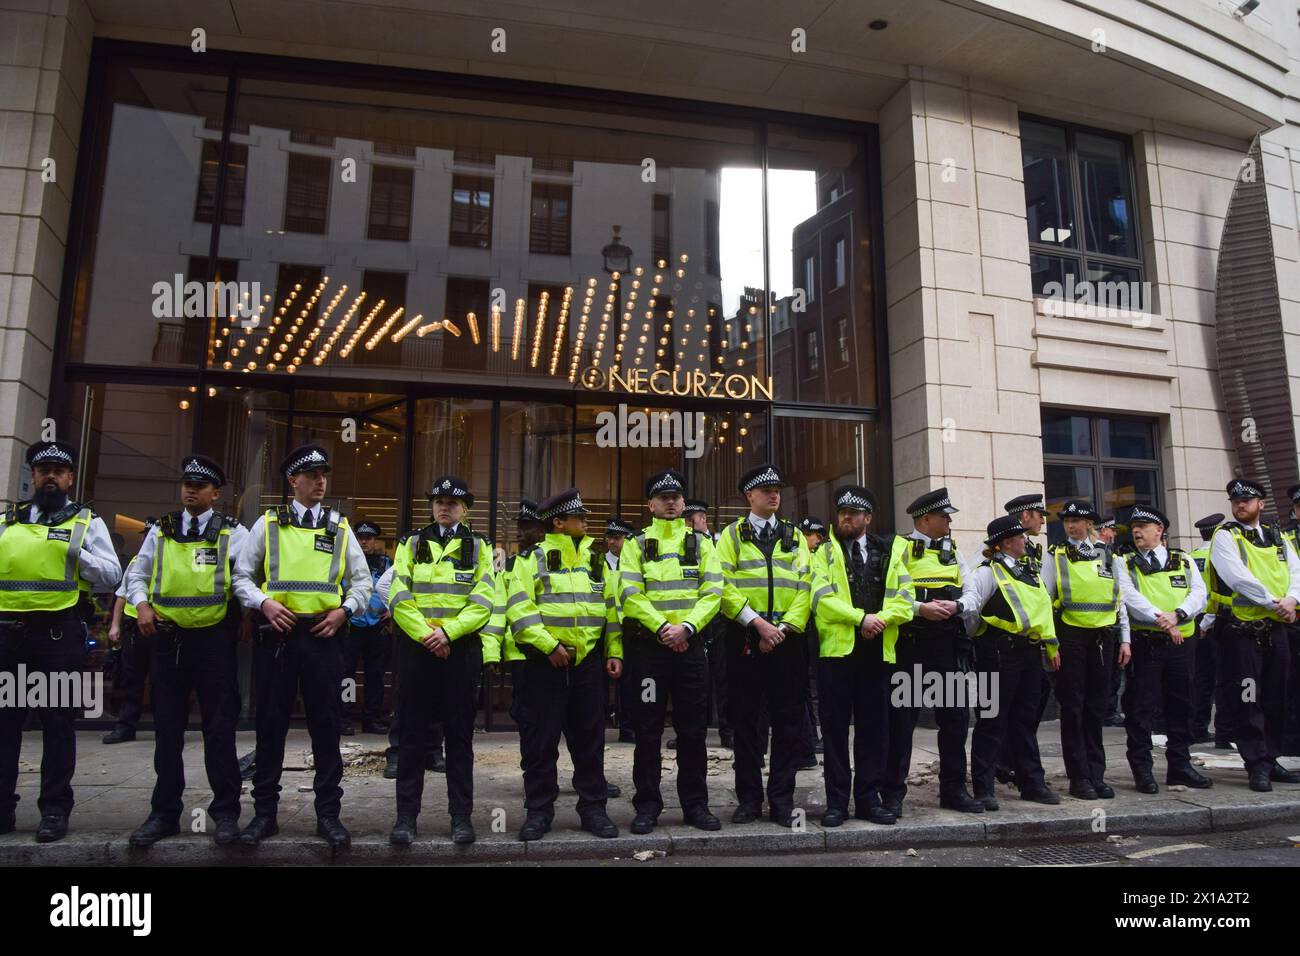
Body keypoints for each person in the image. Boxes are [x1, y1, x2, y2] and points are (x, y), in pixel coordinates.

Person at [232, 444, 372, 848]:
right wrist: (264, 602)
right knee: (270, 728)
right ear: (293, 481)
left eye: (324, 475)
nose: (320, 482)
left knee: (326, 729)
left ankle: (328, 815)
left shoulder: (339, 526)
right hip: (278, 637)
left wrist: (344, 611)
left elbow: (362, 582)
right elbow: (241, 575)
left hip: (323, 637)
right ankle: (264, 815)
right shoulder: (268, 523)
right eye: (311, 476)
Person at [123, 455, 249, 847]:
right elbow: (137, 575)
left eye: (201, 485)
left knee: (219, 730)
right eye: (187, 483)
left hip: (213, 643)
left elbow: (246, 576)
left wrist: (246, 615)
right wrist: (141, 605)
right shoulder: (161, 530)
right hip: (168, 641)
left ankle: (225, 813)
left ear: (216, 493)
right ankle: (164, 814)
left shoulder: (233, 532)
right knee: (167, 731)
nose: (191, 489)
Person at [0, 440, 122, 843]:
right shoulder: (8, 521)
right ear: (32, 476)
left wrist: (75, 553)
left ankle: (54, 810)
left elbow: (110, 576)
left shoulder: (87, 522)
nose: (50, 476)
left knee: (57, 725)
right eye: (42, 469)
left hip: (58, 637)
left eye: (58, 471)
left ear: (70, 478)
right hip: (9, 637)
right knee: (5, 726)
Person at [381, 476, 494, 845]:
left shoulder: (479, 547)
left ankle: (461, 818)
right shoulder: (411, 543)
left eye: (451, 502)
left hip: (459, 651)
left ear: (466, 508)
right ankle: (405, 819)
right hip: (418, 649)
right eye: (438, 501)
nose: (443, 507)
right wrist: (427, 636)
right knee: (412, 736)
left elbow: (484, 600)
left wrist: (448, 633)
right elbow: (398, 593)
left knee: (459, 738)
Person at [503, 488, 621, 841]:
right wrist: (550, 645)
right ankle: (539, 812)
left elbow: (612, 610)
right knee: (541, 743)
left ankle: (593, 810)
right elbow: (519, 610)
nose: (586, 522)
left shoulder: (597, 560)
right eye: (579, 517)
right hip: (545, 664)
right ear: (559, 522)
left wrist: (614, 651)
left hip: (587, 664)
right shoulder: (529, 560)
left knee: (590, 741)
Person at [617, 470, 724, 834]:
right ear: (650, 504)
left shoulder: (702, 543)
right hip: (650, 653)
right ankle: (647, 806)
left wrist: (687, 628)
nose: (670, 502)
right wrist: (665, 629)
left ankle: (696, 806)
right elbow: (630, 595)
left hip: (690, 651)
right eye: (663, 497)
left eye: (676, 496)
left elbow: (713, 593)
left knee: (693, 732)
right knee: (647, 731)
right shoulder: (635, 544)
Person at [715, 464, 813, 827]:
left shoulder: (795, 536)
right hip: (745, 639)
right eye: (766, 490)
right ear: (749, 496)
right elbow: (722, 586)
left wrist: (782, 628)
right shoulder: (731, 535)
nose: (774, 495)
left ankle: (782, 800)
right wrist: (758, 625)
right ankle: (749, 800)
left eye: (777, 490)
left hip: (786, 642)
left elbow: (806, 587)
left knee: (788, 722)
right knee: (746, 723)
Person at [811, 485, 912, 826]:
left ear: (868, 518)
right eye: (842, 513)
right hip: (837, 654)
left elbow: (905, 599)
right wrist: (861, 619)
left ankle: (869, 800)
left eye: (853, 514)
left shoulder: (889, 552)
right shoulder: (824, 552)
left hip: (876, 653)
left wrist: (881, 620)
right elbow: (821, 599)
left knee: (874, 731)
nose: (846, 518)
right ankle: (836, 803)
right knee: (836, 733)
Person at [887, 488, 984, 815]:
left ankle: (954, 790)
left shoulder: (953, 551)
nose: (950, 521)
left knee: (955, 721)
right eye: (945, 516)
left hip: (946, 646)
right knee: (902, 723)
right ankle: (892, 795)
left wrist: (957, 605)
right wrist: (919, 608)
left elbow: (973, 594)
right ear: (926, 518)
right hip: (912, 645)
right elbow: (888, 596)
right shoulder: (898, 548)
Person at [1206, 478, 1300, 791]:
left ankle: (1271, 757)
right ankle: (1255, 763)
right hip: (1243, 632)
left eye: (1246, 500)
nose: (1240, 505)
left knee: (1276, 698)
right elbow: (1237, 577)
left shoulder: (1277, 536)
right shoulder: (1226, 536)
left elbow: (1297, 572)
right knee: (1248, 698)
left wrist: (1293, 600)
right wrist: (1277, 604)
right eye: (1235, 500)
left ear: (1260, 504)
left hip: (1275, 631)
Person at [1114, 505, 1211, 793]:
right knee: (1141, 708)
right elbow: (1129, 596)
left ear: (1160, 530)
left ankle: (1180, 765)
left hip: (1182, 644)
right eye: (1134, 526)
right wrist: (1164, 620)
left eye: (1143, 525)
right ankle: (1142, 769)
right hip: (1148, 644)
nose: (1136, 530)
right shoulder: (1125, 561)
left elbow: (1200, 594)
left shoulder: (1182, 560)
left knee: (1182, 705)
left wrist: (1178, 615)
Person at [967, 515, 1061, 808]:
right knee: (991, 722)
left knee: (1024, 722)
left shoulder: (1029, 571)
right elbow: (971, 614)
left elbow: (1042, 612)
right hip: (998, 654)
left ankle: (1032, 783)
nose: (1025, 540)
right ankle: (984, 788)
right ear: (1007, 542)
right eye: (1020, 536)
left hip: (1029, 654)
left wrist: (1050, 646)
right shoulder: (987, 573)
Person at [1043, 499, 1129, 800]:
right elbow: (1045, 599)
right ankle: (1079, 777)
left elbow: (1120, 602)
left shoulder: (1109, 555)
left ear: (1089, 524)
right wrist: (1050, 643)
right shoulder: (1056, 555)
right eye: (1066, 520)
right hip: (1070, 636)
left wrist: (1126, 639)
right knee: (1073, 707)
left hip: (1103, 639)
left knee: (1096, 708)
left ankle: (1097, 774)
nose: (1070, 525)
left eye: (1076, 521)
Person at [685, 497, 731, 748]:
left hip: (720, 620)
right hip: (694, 621)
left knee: (724, 678)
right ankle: (695, 732)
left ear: (704, 519)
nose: (691, 523)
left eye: (695, 519)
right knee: (697, 682)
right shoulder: (683, 544)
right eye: (687, 520)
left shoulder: (719, 543)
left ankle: (727, 731)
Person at [339, 520, 391, 736]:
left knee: (376, 675)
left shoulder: (385, 562)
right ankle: (344, 718)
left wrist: (392, 610)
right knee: (347, 675)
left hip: (377, 625)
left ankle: (372, 718)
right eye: (360, 538)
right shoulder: (347, 561)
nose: (364, 542)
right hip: (352, 624)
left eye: (368, 538)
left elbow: (395, 587)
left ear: (375, 540)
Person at [103, 527, 154, 745]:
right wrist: (115, 625)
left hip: (163, 626)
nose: (147, 538)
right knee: (131, 679)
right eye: (146, 535)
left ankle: (166, 724)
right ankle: (126, 726)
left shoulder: (171, 556)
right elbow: (122, 596)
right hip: (135, 627)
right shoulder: (135, 562)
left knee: (164, 680)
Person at [1190, 512, 1230, 746]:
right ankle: (1224, 730)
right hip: (1214, 620)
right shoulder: (1219, 555)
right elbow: (1218, 592)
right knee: (1222, 678)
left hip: (1194, 619)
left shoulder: (1191, 556)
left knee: (1200, 678)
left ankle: (1197, 726)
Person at [604, 516, 638, 745]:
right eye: (610, 537)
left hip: (628, 627)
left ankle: (628, 727)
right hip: (604, 626)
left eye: (618, 537)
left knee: (630, 682)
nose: (613, 542)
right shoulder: (600, 563)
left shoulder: (633, 562)